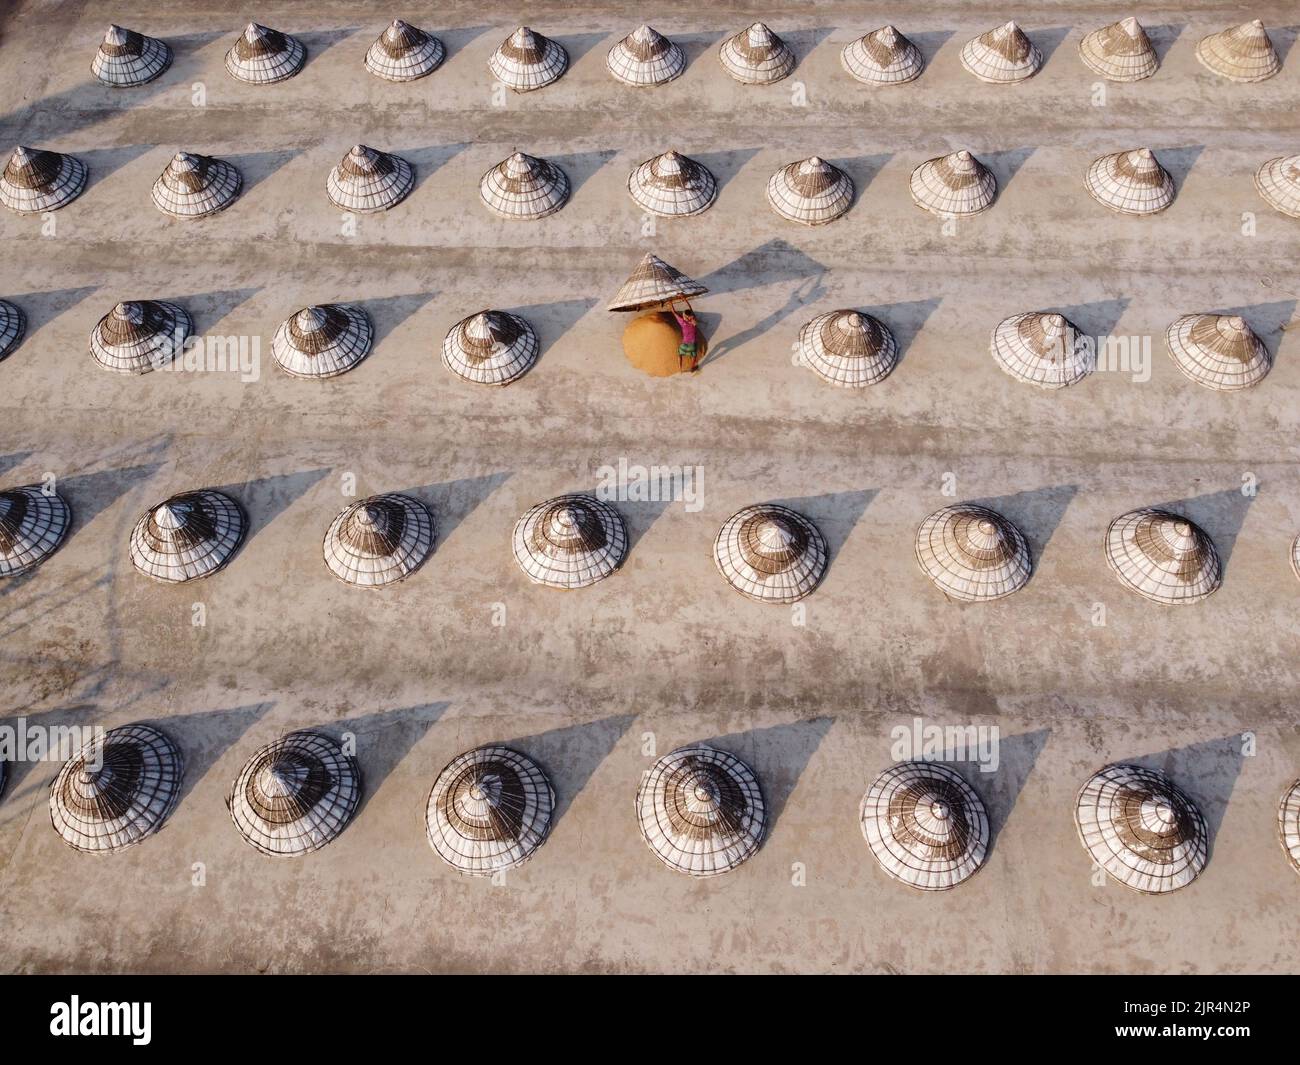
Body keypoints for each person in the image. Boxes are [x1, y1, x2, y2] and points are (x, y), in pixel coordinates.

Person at [668, 298, 701, 374]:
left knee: (679, 354)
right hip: (693, 345)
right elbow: (690, 309)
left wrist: (670, 303)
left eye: (683, 315)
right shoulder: (694, 322)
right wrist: (684, 299)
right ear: (691, 316)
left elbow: (674, 312)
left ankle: (680, 369)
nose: (682, 315)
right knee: (694, 354)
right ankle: (692, 367)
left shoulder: (682, 322)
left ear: (685, 316)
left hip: (685, 345)